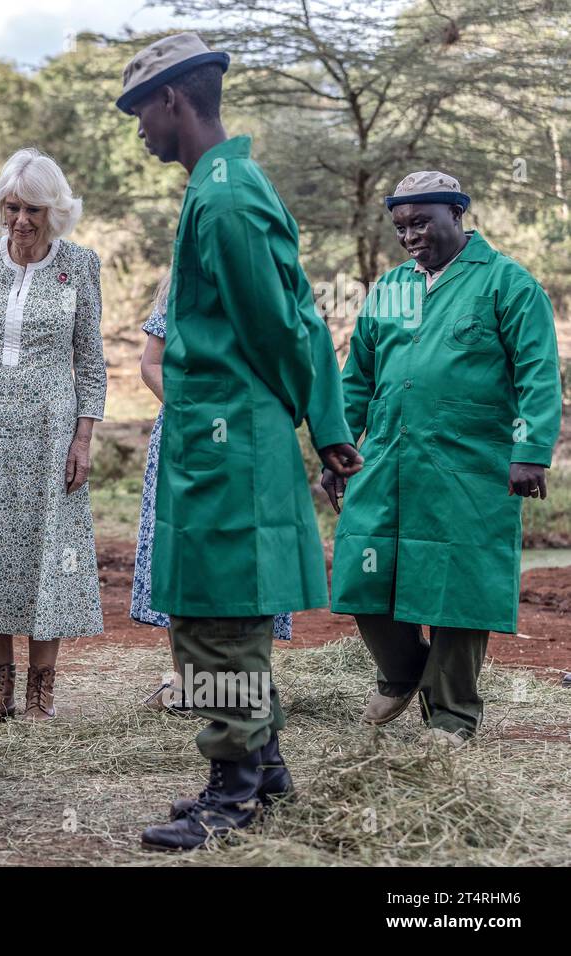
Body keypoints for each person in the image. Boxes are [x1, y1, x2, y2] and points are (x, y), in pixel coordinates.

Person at [114, 32, 363, 851]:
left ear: (175, 100)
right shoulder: (218, 188)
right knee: (214, 612)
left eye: (141, 110)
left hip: (231, 444)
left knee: (221, 619)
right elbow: (290, 319)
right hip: (214, 439)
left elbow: (285, 328)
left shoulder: (223, 198)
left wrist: (325, 429)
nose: (138, 128)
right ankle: (267, 766)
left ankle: (234, 791)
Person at [322, 171, 563, 748]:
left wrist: (530, 452)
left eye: (422, 221)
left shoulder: (508, 284)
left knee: (461, 587)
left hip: (470, 465)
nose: (410, 235)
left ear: (458, 213)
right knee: (363, 568)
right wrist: (337, 445)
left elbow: (537, 374)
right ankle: (404, 671)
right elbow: (357, 377)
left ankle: (452, 716)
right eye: (401, 225)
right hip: (384, 458)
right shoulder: (391, 289)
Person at [0, 148, 107, 722]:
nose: (21, 221)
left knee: (45, 551)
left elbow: (91, 363)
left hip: (50, 427)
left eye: (33, 208)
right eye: (11, 207)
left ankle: (41, 693)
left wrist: (82, 440)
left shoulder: (80, 265)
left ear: (54, 211)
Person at [130, 271, 291, 713]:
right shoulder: (181, 290)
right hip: (185, 438)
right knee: (183, 550)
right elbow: (152, 363)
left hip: (249, 438)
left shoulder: (270, 292)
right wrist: (190, 411)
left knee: (246, 551)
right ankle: (189, 680)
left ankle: (246, 681)